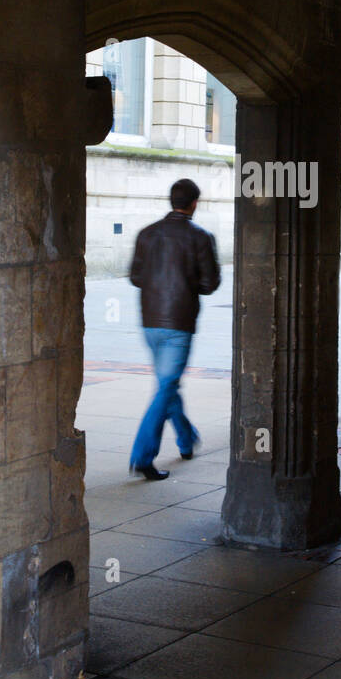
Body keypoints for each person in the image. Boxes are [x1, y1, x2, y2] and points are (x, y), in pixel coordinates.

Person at [127, 178, 221, 480]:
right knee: (166, 387)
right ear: (194, 203)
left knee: (168, 385)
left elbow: (135, 277)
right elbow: (210, 285)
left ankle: (186, 439)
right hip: (179, 323)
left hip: (150, 321)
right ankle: (143, 456)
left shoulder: (147, 233)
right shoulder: (201, 237)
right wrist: (185, 280)